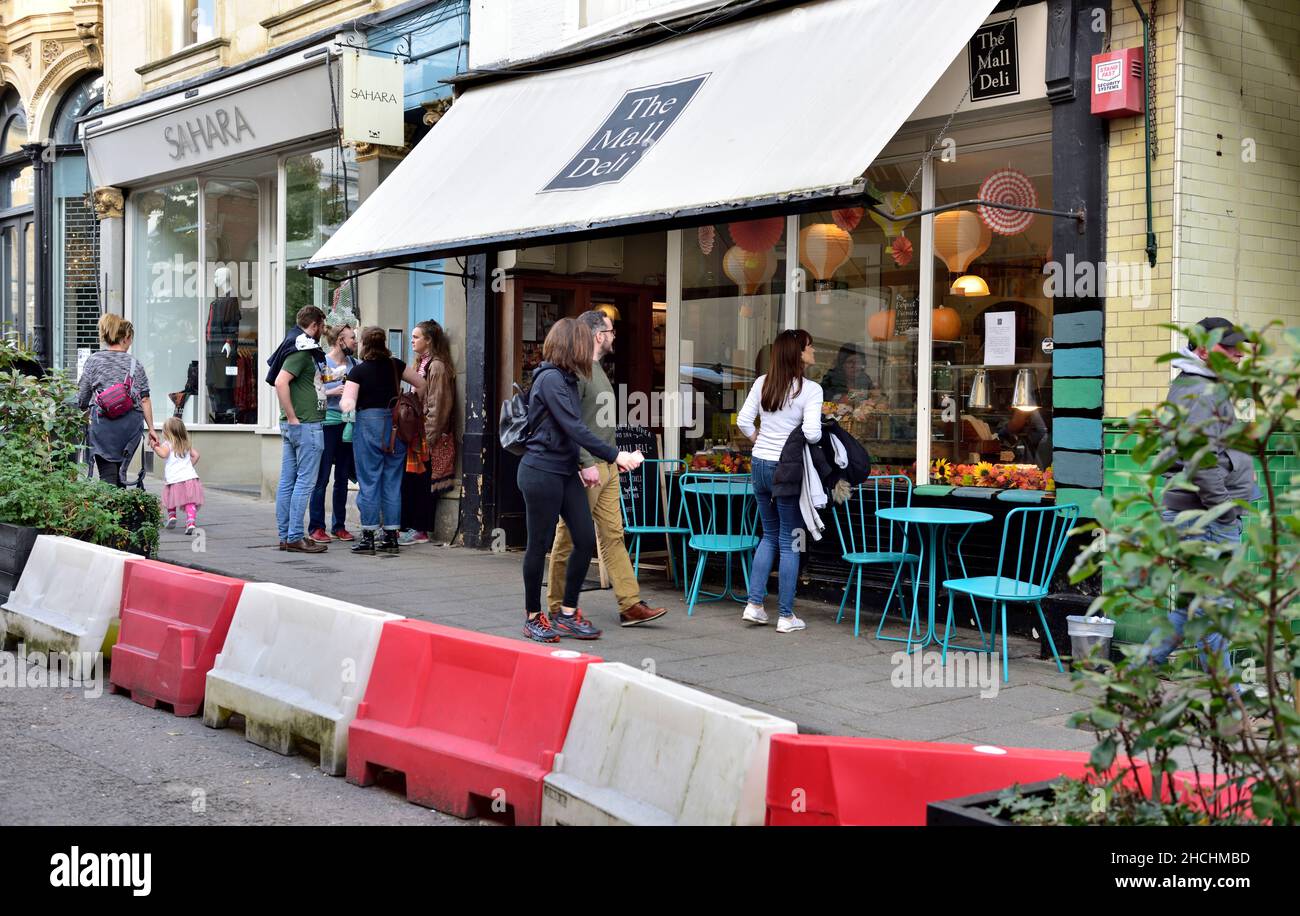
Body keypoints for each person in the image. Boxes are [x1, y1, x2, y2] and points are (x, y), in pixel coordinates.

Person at [519, 318, 643, 643]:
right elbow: (576, 428)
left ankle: (568, 613)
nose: (588, 346)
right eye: (582, 341)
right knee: (539, 544)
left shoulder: (571, 379)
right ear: (569, 345)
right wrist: (616, 456)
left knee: (585, 539)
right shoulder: (549, 379)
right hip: (541, 471)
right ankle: (534, 616)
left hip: (564, 470)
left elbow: (578, 429)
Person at [1150, 317, 1257, 690]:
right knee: (1216, 604)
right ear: (1204, 348)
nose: (1239, 354)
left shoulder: (1205, 385)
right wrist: (1223, 509)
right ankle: (1228, 693)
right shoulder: (1200, 389)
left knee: (1193, 603)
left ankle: (1140, 671)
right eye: (1230, 347)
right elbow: (1200, 457)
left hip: (1202, 512)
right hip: (1206, 516)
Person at [547, 311, 668, 628]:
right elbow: (572, 425)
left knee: (613, 535)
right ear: (598, 335)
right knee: (569, 537)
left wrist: (615, 457)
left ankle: (629, 604)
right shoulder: (577, 372)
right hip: (588, 469)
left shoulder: (596, 369)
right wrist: (586, 464)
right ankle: (557, 606)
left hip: (608, 465)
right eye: (612, 331)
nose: (615, 336)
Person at [737, 328, 822, 634]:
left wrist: (759, 438)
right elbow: (812, 433)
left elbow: (743, 421)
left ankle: (755, 605)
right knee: (789, 540)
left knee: (768, 534)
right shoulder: (810, 390)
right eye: (810, 347)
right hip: (786, 469)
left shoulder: (763, 383)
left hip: (759, 464)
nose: (814, 352)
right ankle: (786, 616)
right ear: (798, 353)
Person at [340, 326, 425, 556]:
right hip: (396, 427)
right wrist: (408, 402)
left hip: (368, 427)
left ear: (365, 345)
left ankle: (368, 536)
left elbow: (348, 402)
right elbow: (421, 384)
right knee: (392, 482)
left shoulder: (358, 372)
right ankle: (391, 536)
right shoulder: (395, 365)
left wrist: (346, 407)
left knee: (369, 482)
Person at [77, 314, 159, 487]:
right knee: (120, 473)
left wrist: (83, 410)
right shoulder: (135, 364)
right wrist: (151, 428)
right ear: (126, 338)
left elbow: (82, 396)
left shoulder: (94, 361)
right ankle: (119, 510)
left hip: (103, 424)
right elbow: (144, 399)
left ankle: (110, 510)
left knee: (107, 475)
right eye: (131, 340)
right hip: (129, 427)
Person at [273, 306, 327, 554]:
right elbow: (280, 382)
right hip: (304, 425)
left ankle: (287, 536)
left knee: (288, 482)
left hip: (296, 424)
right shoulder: (302, 350)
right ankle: (294, 536)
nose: (323, 331)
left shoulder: (297, 347)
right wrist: (293, 416)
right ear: (314, 325)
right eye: (322, 326)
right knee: (303, 483)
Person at [398, 320, 456, 545]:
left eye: (416, 337)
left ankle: (420, 529)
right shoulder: (421, 363)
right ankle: (410, 526)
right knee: (411, 481)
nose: (412, 341)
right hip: (416, 433)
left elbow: (439, 404)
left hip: (427, 434)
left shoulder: (438, 366)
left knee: (423, 483)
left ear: (429, 340)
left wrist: (429, 436)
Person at [308, 324, 358, 544]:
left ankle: (339, 526)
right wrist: (331, 391)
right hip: (327, 423)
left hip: (348, 425)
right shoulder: (322, 363)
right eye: (351, 338)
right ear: (340, 340)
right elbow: (310, 393)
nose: (355, 342)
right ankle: (316, 527)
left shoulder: (355, 364)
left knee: (342, 478)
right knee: (322, 477)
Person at [152, 416, 205, 535]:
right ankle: (190, 522)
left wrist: (155, 446)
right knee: (190, 502)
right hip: (190, 478)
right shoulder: (185, 443)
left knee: (170, 498)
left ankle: (172, 517)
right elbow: (196, 455)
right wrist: (188, 467)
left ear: (168, 432)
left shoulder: (167, 444)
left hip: (174, 479)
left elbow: (163, 454)